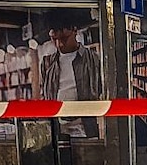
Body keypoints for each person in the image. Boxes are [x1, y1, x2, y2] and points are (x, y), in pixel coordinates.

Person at [40, 9, 102, 137]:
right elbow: (44, 95)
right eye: (54, 39)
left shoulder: (93, 59)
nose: (59, 44)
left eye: (64, 38)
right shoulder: (47, 63)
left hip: (84, 125)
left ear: (74, 31)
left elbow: (101, 90)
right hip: (57, 125)